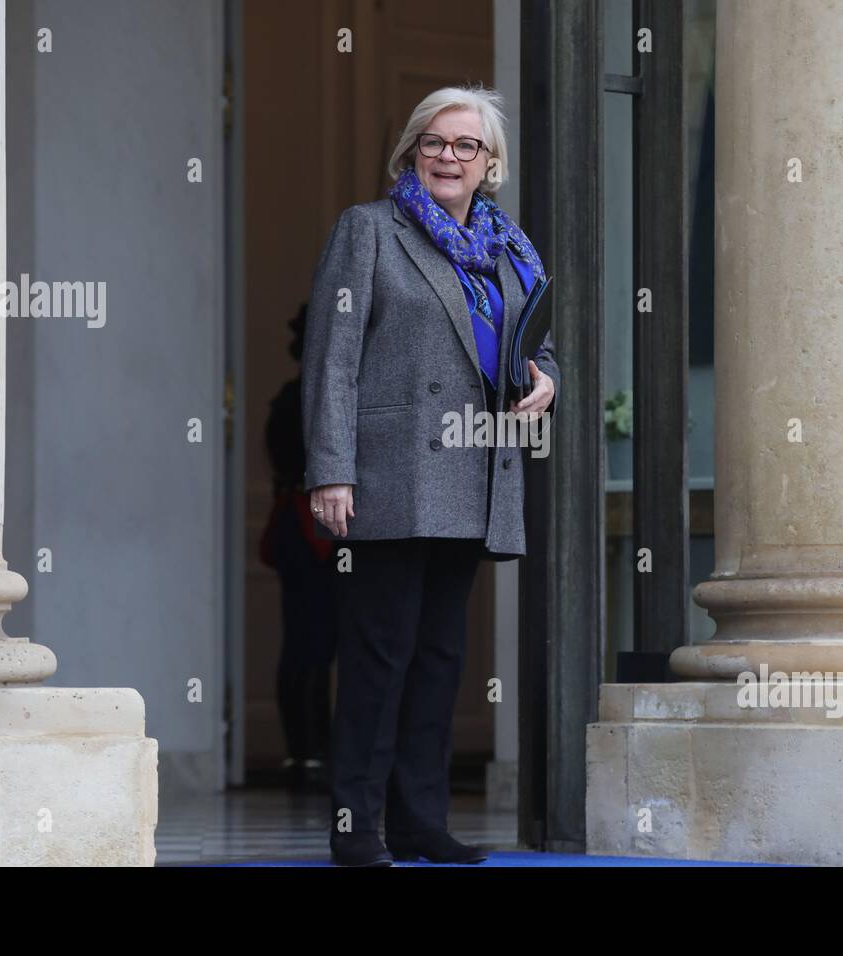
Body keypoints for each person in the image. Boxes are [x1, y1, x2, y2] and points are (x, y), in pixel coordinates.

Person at [301, 84, 561, 867]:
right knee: (380, 654)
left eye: (466, 146)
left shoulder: (512, 248)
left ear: (491, 163)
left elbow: (534, 347)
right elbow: (333, 358)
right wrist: (330, 470)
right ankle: (358, 829)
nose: (449, 156)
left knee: (441, 656)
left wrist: (548, 381)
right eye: (435, 142)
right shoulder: (370, 231)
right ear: (412, 149)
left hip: (478, 470)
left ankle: (419, 820)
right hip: (390, 471)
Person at [261, 305, 336, 793]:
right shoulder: (297, 401)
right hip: (309, 533)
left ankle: (314, 751)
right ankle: (306, 753)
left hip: (319, 534)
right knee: (308, 647)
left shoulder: (298, 398)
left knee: (316, 647)